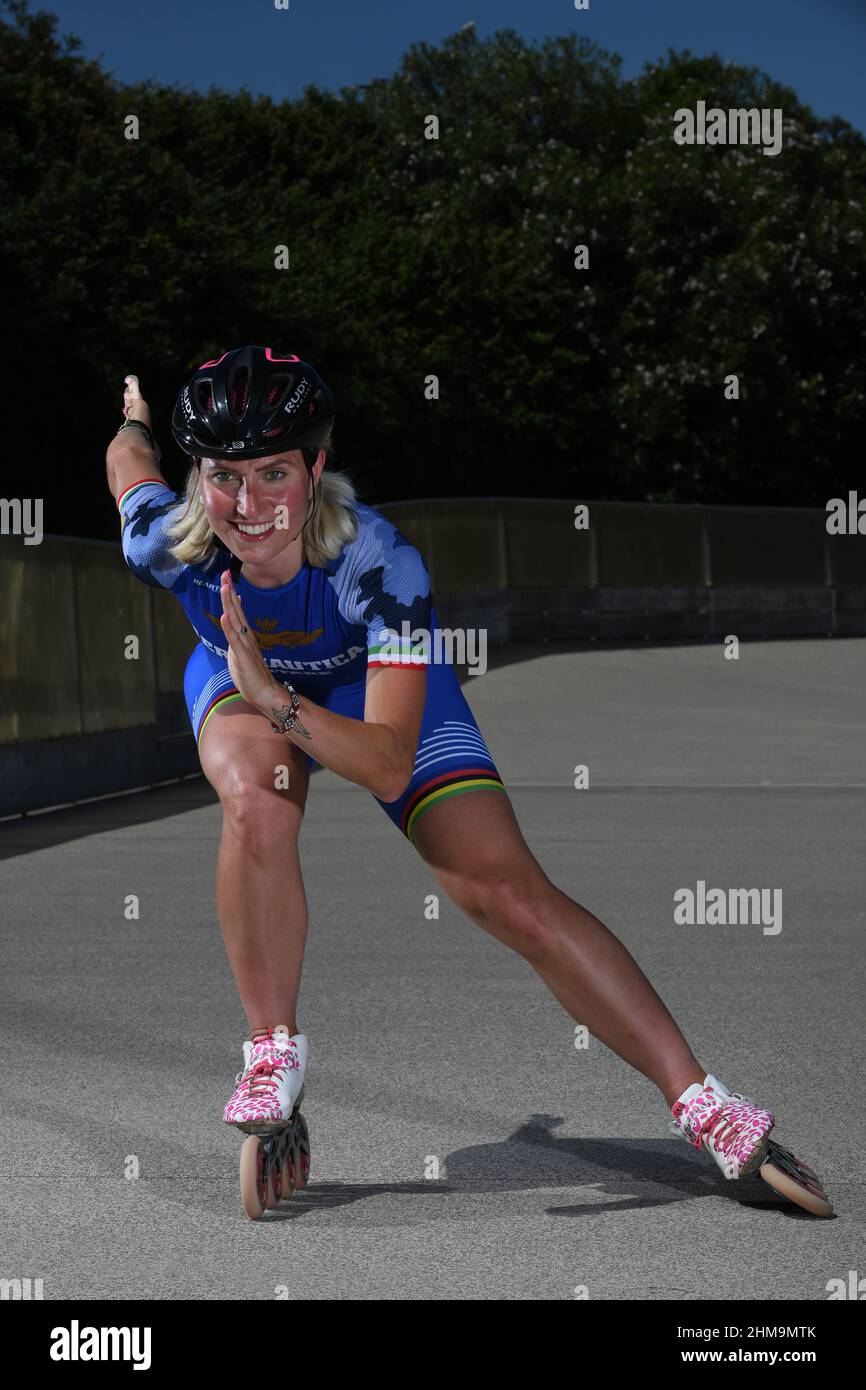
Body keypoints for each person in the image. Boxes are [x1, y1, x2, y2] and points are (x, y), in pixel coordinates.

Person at [105, 345, 781, 1188]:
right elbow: (128, 463)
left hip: (357, 692)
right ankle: (272, 1048)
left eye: (274, 473)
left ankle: (703, 1102)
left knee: (506, 895)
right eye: (225, 476)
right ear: (198, 477)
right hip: (236, 672)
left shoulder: (380, 563)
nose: (249, 505)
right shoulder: (167, 542)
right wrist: (134, 421)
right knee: (257, 801)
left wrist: (278, 698)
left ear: (318, 467)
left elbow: (387, 766)